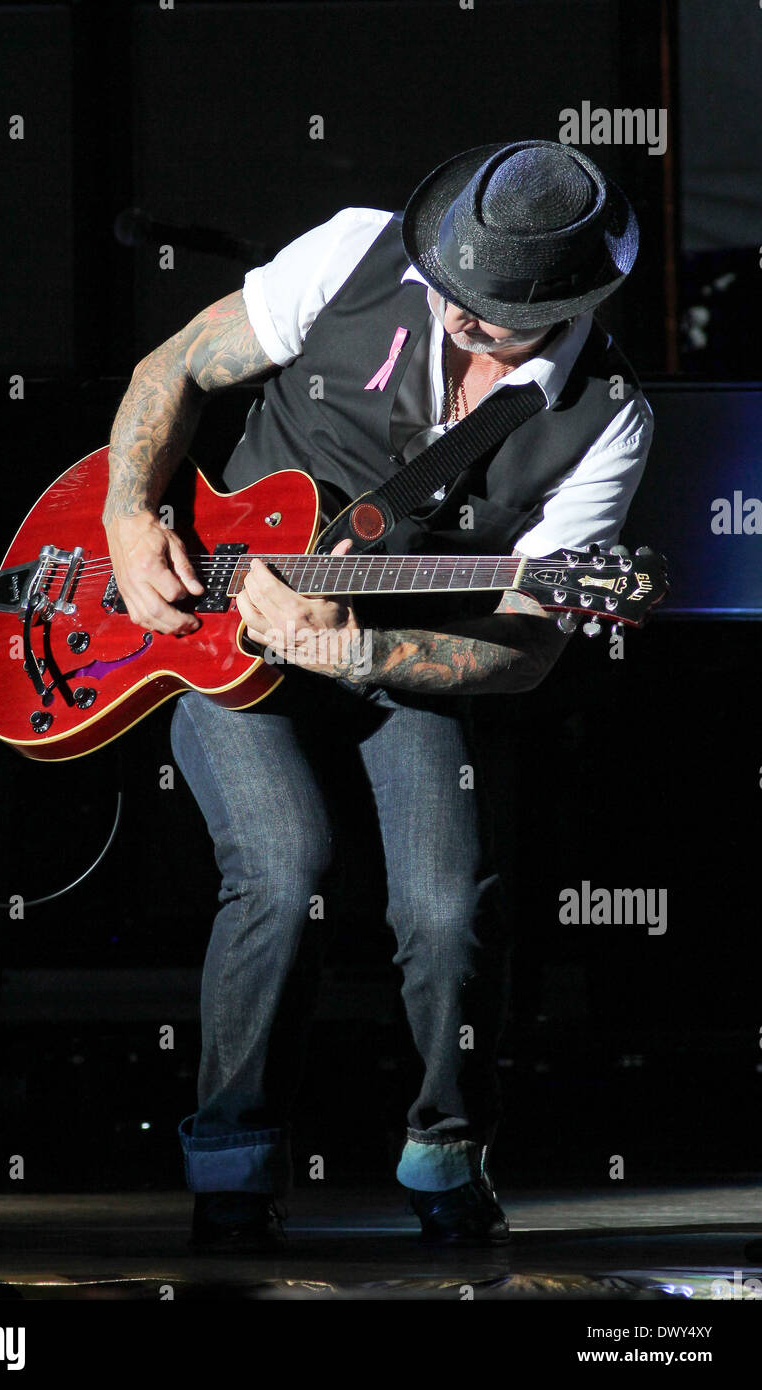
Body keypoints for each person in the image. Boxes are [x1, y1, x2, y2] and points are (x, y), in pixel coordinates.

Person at [103, 139, 653, 1250]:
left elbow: (532, 647)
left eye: (491, 309)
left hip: (403, 656)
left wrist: (353, 653)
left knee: (449, 908)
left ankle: (446, 1153)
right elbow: (175, 367)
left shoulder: (606, 416)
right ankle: (234, 1165)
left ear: (569, 300)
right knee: (283, 866)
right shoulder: (358, 250)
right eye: (452, 286)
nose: (458, 316)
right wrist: (126, 511)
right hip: (225, 630)